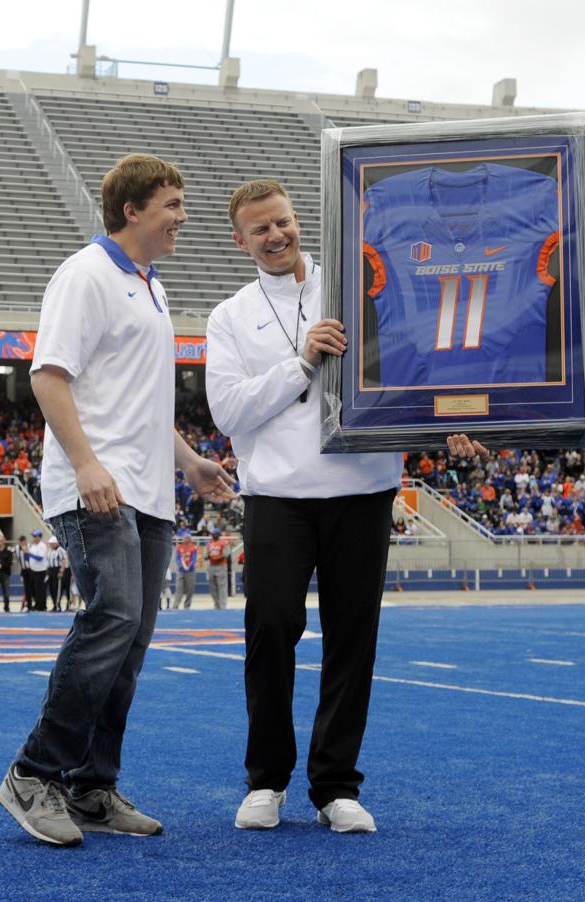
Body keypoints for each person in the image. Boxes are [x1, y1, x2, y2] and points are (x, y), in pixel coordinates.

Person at [205, 178, 484, 835]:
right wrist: (300, 363)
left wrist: (452, 419)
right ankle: (265, 781)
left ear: (298, 219)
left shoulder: (365, 284)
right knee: (270, 632)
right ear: (239, 239)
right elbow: (227, 410)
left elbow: (415, 373)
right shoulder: (230, 315)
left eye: (283, 222)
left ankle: (336, 786)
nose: (276, 236)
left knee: (353, 640)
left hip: (363, 490)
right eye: (260, 229)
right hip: (277, 495)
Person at [0, 153, 235, 847]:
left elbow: (137, 403)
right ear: (133, 210)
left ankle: (92, 787)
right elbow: (48, 376)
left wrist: (188, 462)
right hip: (97, 485)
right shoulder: (87, 273)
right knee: (113, 618)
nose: (182, 217)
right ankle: (34, 773)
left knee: (130, 640)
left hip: (150, 487)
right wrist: (87, 464)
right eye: (173, 204)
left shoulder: (150, 287)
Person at [205, 526, 231, 609]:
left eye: (214, 534)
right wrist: (208, 556)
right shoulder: (209, 543)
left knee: (222, 586)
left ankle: (223, 605)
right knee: (212, 587)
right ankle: (216, 604)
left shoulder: (224, 543)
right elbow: (206, 555)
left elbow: (226, 554)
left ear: (218, 534)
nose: (213, 535)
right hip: (211, 566)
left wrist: (216, 558)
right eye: (212, 534)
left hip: (221, 566)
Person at [24, 528, 49, 611]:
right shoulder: (33, 546)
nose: (33, 538)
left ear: (39, 537)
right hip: (33, 570)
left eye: (35, 536)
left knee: (39, 589)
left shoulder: (42, 546)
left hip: (40, 570)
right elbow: (29, 558)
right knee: (33, 589)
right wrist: (26, 554)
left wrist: (29, 554)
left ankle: (40, 605)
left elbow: (40, 558)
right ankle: (37, 604)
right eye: (33, 536)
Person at [174, 528, 198, 610]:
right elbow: (177, 559)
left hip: (190, 571)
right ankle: (176, 605)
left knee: (190, 589)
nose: (185, 539)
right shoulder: (179, 547)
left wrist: (189, 566)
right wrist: (181, 566)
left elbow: (194, 559)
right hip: (181, 571)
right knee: (178, 588)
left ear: (190, 538)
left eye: (187, 537)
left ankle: (187, 605)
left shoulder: (193, 548)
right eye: (184, 537)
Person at [46, 536, 64, 611]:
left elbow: (63, 560)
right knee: (51, 588)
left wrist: (61, 571)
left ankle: (58, 605)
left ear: (56, 543)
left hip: (57, 570)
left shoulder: (60, 550)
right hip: (50, 570)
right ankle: (54, 604)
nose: (50, 545)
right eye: (50, 543)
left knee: (57, 588)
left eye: (52, 543)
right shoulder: (50, 550)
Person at [0, 536, 13, 612]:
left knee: (6, 592)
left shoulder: (8, 551)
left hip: (5, 573)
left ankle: (6, 607)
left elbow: (9, 562)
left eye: (0, 541)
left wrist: (1, 565)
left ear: (4, 541)